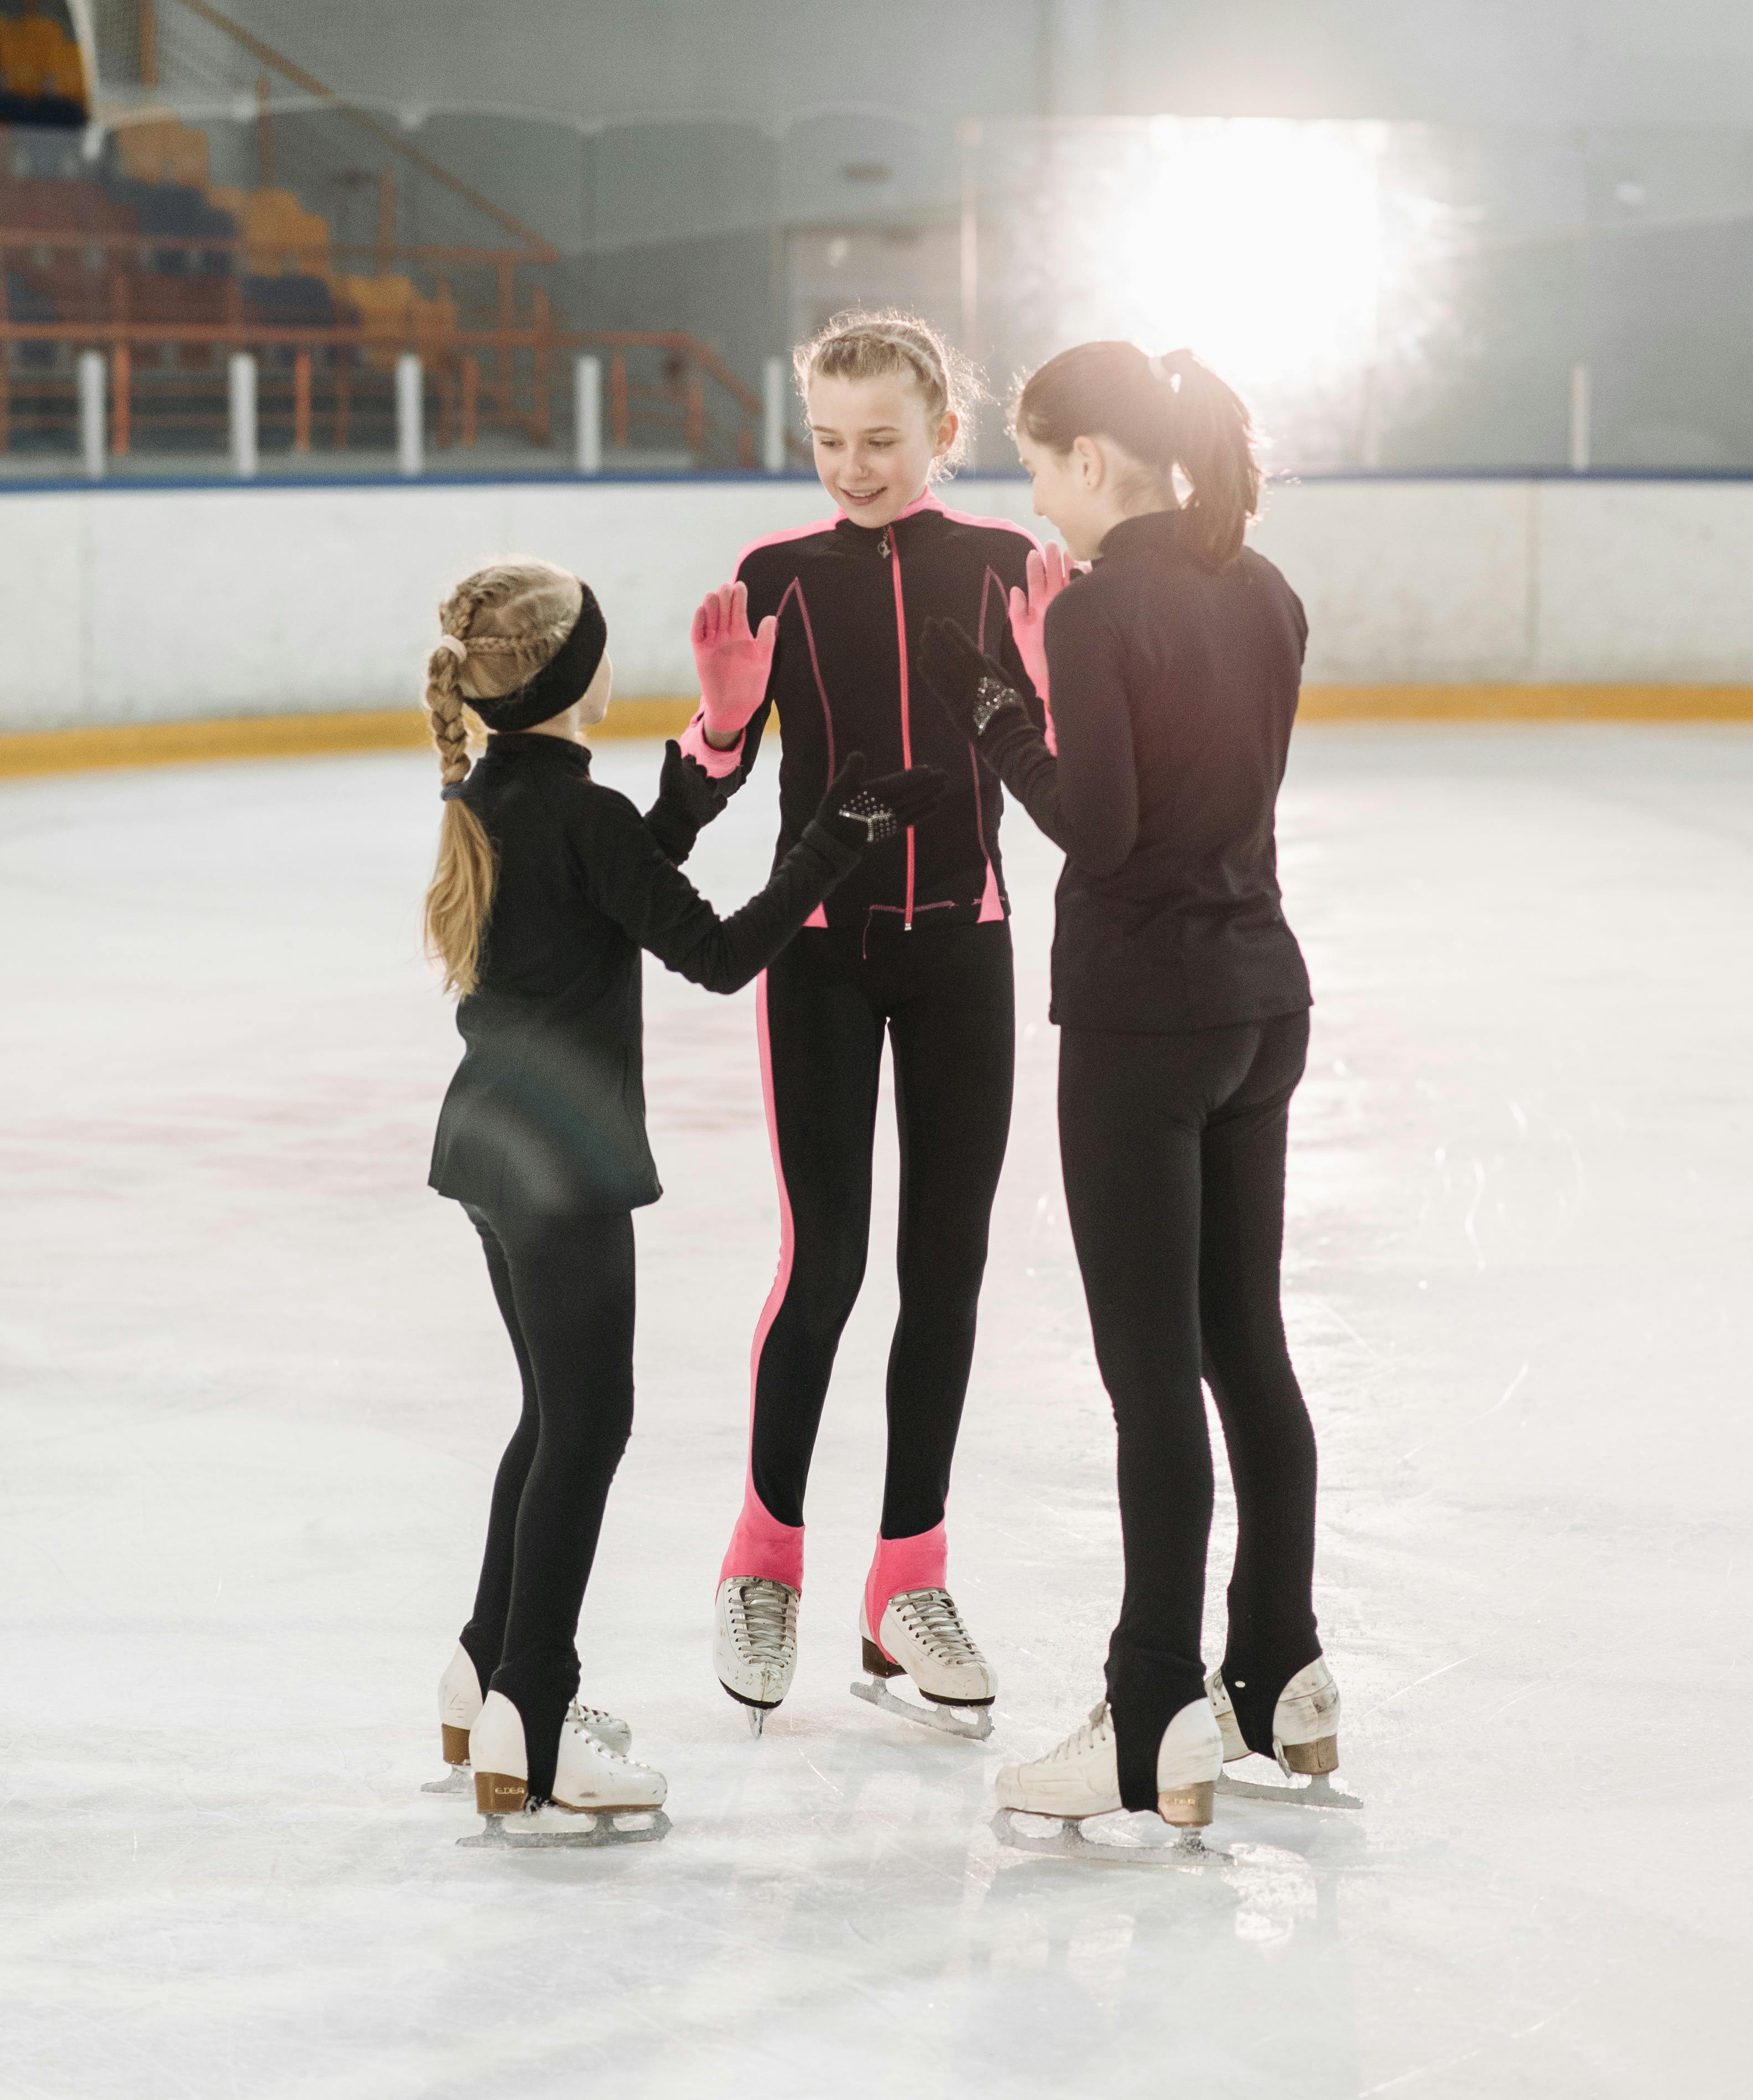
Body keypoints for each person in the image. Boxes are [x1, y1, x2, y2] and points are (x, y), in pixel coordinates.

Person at [420, 553, 944, 1836]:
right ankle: (534, 1723)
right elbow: (713, 954)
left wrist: (703, 786)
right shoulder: (574, 814)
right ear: (579, 676)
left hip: (491, 1151)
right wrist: (838, 839)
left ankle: (486, 1669)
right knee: (588, 1428)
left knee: (551, 1418)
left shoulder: (494, 794)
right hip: (563, 1170)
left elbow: (621, 881)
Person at [920, 340, 1341, 1841]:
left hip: (1142, 1023)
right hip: (1260, 1000)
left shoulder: (1102, 607)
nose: (1031, 492)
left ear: (1093, 457)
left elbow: (1094, 829)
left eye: (1036, 463)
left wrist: (1000, 717)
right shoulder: (1267, 588)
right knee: (1246, 1347)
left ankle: (1152, 1702)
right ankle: (1279, 1665)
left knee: (1151, 1371)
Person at [684, 311, 1047, 1735]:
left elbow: (1060, 767)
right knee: (824, 1262)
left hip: (967, 948)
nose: (853, 467)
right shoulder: (772, 579)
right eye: (828, 442)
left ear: (942, 436)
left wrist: (1058, 696)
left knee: (944, 1269)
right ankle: (763, 1556)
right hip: (821, 953)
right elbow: (706, 794)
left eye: (882, 441)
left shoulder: (1009, 569)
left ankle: (908, 1576)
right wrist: (722, 726)